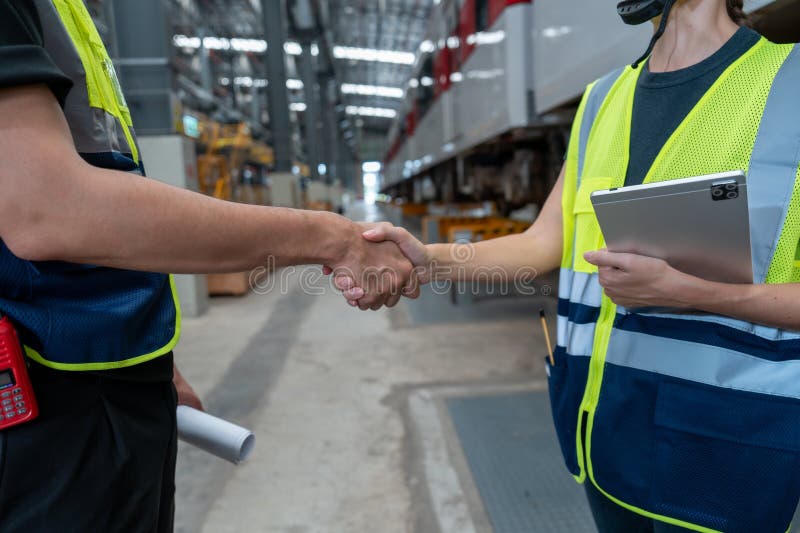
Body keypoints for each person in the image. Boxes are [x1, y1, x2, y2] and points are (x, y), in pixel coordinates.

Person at [351, 0, 800, 531]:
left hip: (723, 456)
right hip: (606, 440)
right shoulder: (600, 101)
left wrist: (698, 294)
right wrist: (427, 260)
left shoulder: (790, 87)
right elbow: (541, 243)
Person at [0, 1, 415, 531]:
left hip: (105, 384)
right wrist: (332, 237)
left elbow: (99, 230)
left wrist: (152, 363)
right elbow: (46, 209)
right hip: (36, 410)